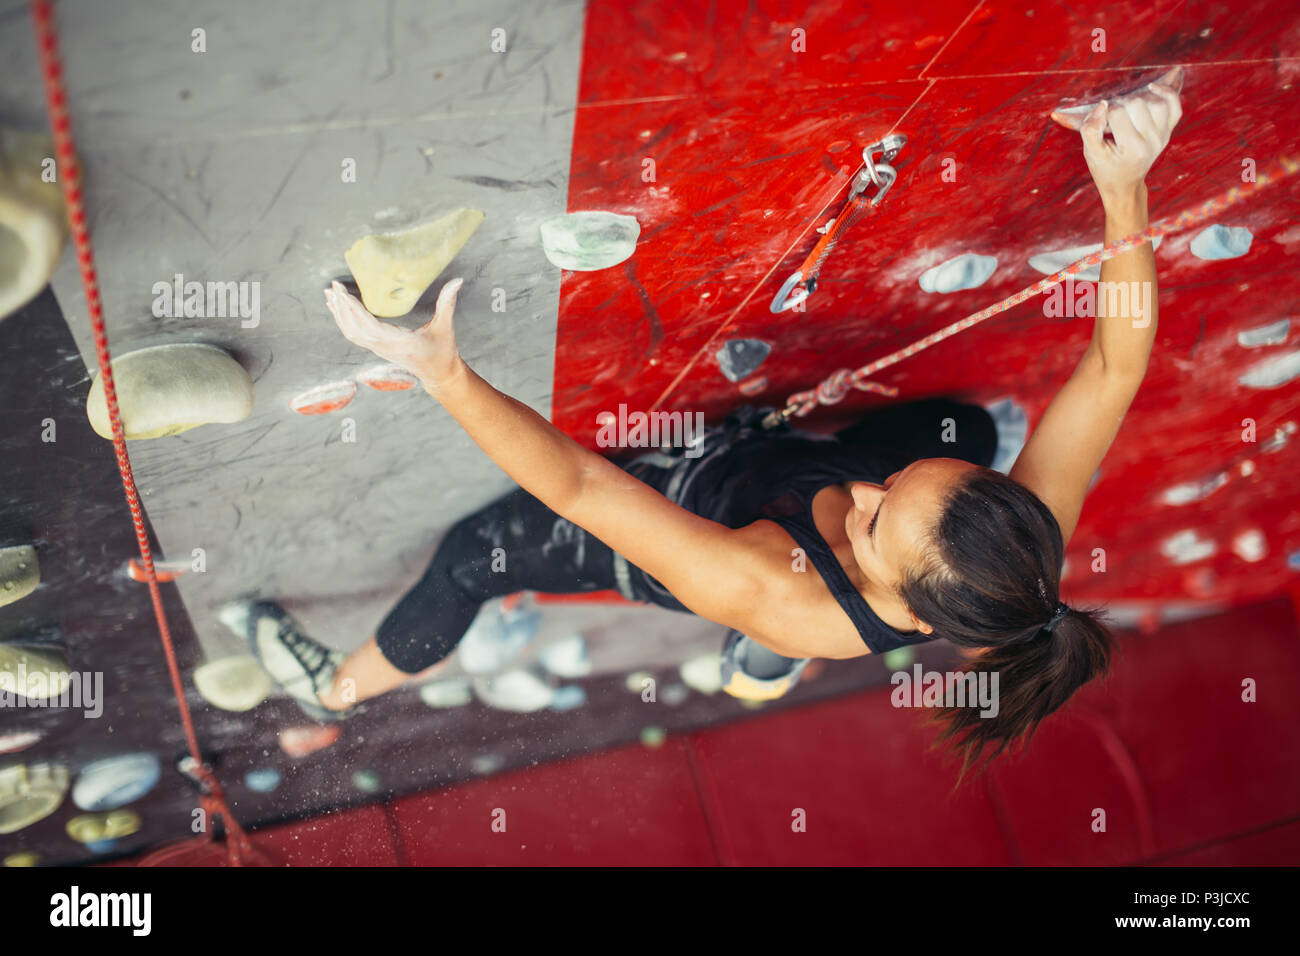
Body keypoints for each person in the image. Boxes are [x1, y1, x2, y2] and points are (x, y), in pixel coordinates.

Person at [228, 73, 1182, 774]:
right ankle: (893, 519)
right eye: (900, 482)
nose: (867, 488)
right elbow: (1114, 363)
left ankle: (334, 691)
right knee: (968, 429)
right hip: (795, 477)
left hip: (705, 505)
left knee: (472, 559)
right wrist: (1125, 183)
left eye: (879, 516)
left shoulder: (775, 588)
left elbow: (579, 484)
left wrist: (443, 372)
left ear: (902, 593)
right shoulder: (1019, 535)